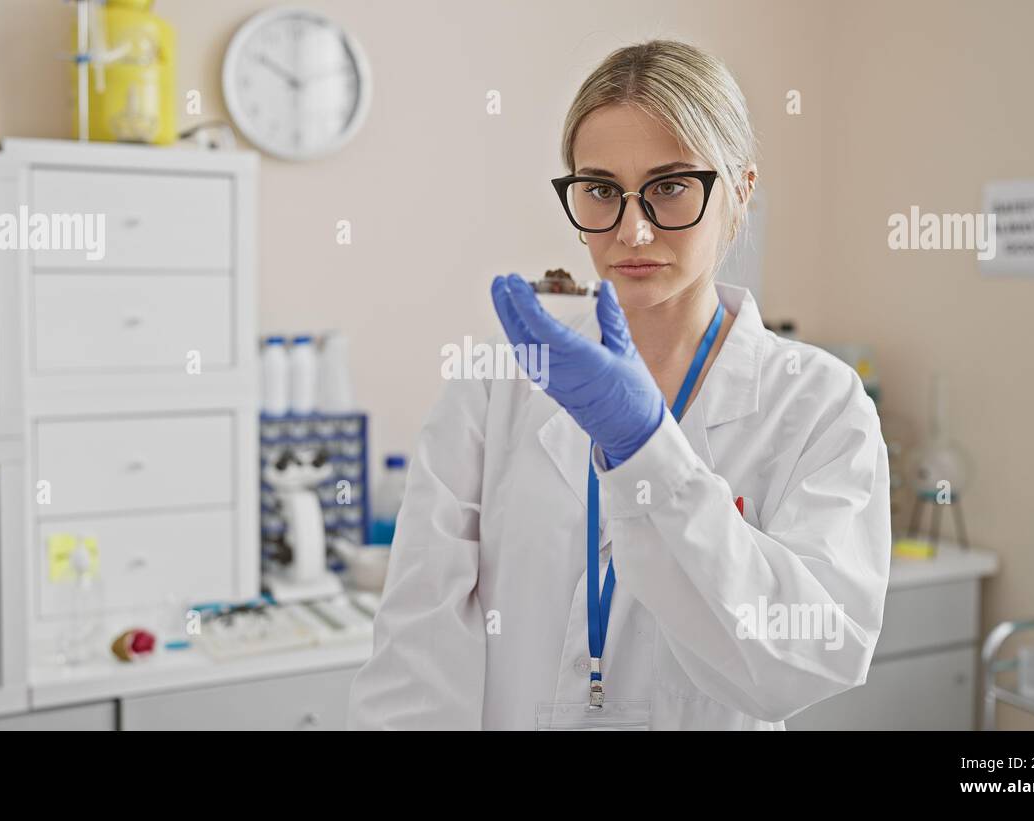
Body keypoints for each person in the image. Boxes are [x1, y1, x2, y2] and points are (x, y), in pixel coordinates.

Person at [348, 39, 891, 730]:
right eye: (602, 189)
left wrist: (647, 451)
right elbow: (416, 654)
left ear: (741, 189)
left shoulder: (817, 403)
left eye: (669, 186)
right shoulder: (500, 379)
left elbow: (811, 655)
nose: (632, 230)